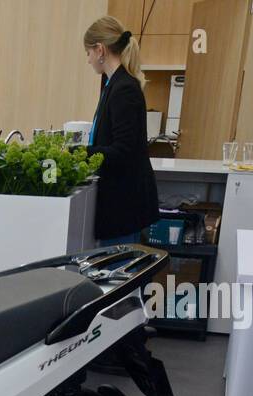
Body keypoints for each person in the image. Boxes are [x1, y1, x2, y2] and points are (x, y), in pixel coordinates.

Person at [82, 16, 158, 246]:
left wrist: (80, 153)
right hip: (119, 203)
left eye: (88, 53)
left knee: (118, 277)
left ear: (100, 49)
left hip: (123, 205)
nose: (88, 60)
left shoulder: (124, 89)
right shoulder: (113, 85)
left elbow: (123, 151)